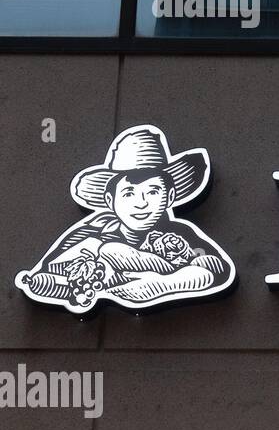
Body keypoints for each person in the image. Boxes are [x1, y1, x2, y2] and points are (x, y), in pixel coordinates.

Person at [15, 126, 235, 312]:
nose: (141, 202)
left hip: (165, 318)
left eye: (152, 192)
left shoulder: (179, 234)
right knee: (105, 249)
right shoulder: (91, 231)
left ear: (170, 197)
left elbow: (215, 269)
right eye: (128, 193)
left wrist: (161, 282)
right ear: (110, 200)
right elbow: (49, 271)